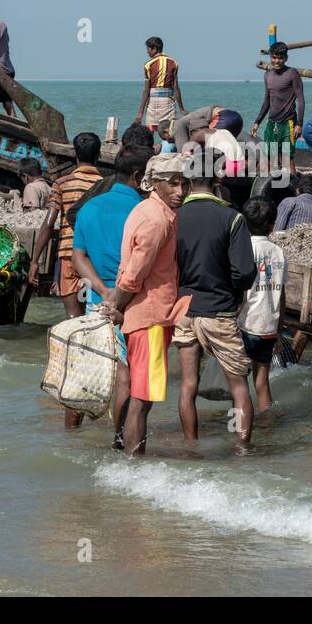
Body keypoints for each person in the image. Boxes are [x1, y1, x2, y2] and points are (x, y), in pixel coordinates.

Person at [102, 155, 191, 456]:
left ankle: (123, 454)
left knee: (139, 392)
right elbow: (133, 276)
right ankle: (134, 466)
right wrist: (118, 305)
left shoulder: (148, 210)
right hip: (150, 316)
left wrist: (119, 306)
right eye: (173, 184)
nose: (180, 191)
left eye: (184, 183)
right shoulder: (156, 220)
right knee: (143, 398)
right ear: (155, 183)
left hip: (143, 314)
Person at [173, 155, 258, 447]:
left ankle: (190, 446)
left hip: (182, 310)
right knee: (238, 387)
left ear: (186, 182)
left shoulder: (173, 216)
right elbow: (244, 272)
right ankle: (241, 448)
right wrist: (234, 294)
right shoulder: (232, 217)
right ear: (218, 179)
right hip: (219, 310)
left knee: (187, 386)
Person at [71, 146, 151, 438]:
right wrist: (116, 293)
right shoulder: (144, 210)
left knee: (83, 372)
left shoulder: (90, 206)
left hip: (96, 301)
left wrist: (103, 290)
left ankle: (70, 437)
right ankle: (119, 443)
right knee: (125, 379)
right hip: (130, 304)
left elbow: (78, 256)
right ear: (139, 176)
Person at [29, 134, 103, 327]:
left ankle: (77, 352)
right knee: (94, 313)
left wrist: (35, 261)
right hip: (95, 257)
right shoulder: (105, 185)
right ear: (99, 155)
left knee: (73, 314)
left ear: (75, 155)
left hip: (68, 255)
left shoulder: (62, 183)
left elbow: (49, 223)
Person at [237, 198, 285, 413]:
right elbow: (281, 293)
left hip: (246, 324)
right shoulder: (278, 252)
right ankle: (267, 424)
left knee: (238, 383)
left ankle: (240, 424)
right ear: (272, 225)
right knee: (262, 381)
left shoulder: (244, 250)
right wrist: (279, 331)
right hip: (268, 326)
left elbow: (239, 292)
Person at [250, 42, 305, 165]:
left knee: (287, 159)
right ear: (270, 57)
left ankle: (292, 181)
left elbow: (301, 99)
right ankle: (274, 183)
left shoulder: (292, 73)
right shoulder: (267, 75)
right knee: (270, 159)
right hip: (272, 123)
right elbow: (267, 101)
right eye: (274, 57)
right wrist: (257, 122)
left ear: (286, 58)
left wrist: (299, 124)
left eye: (280, 58)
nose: (277, 61)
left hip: (288, 123)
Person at [136, 36, 185, 132]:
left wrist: (140, 113)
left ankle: (149, 146)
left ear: (154, 49)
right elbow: (176, 88)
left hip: (153, 101)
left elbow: (146, 91)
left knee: (150, 130)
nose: (147, 52)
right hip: (168, 100)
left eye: (148, 49)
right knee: (169, 130)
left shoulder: (148, 64)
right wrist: (181, 108)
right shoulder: (174, 63)